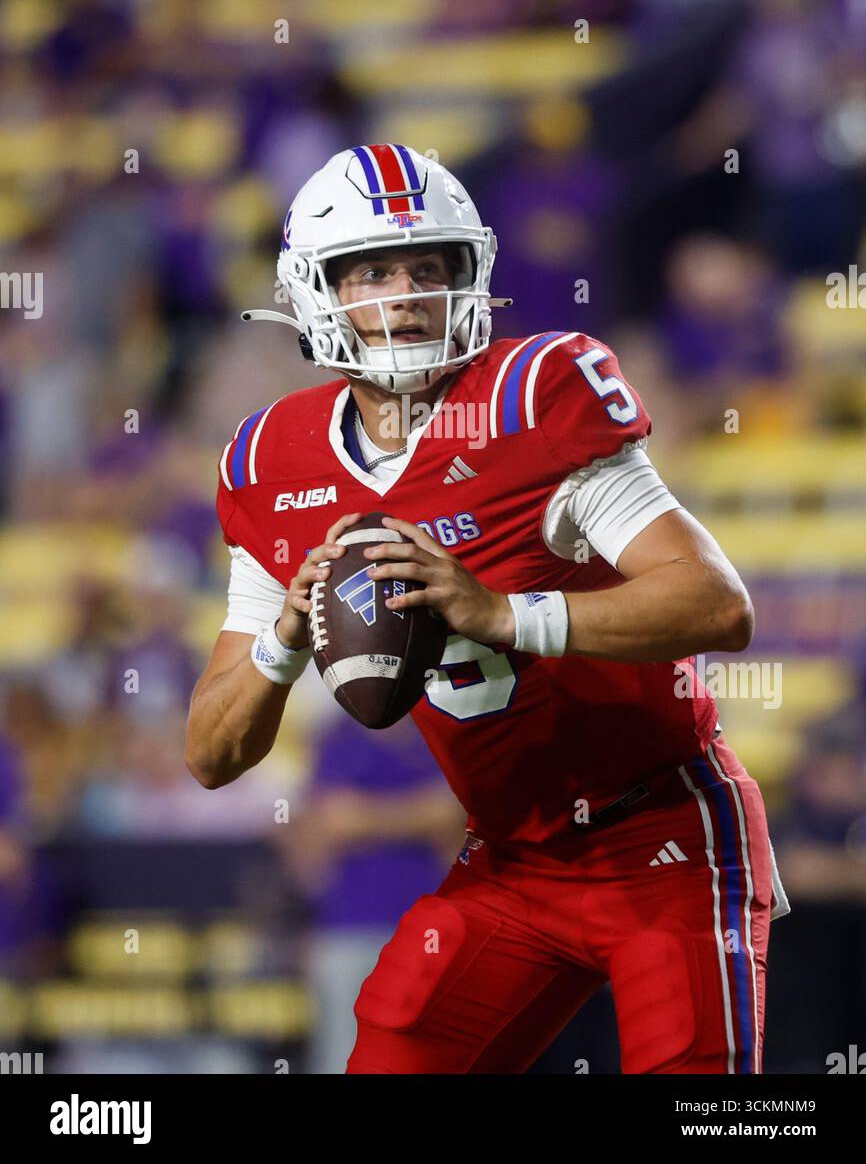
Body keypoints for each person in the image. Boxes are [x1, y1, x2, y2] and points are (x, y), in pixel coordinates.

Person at [186, 143, 790, 1074]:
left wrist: (506, 613)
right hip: (512, 858)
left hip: (667, 830)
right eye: (375, 269)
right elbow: (212, 755)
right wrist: (282, 636)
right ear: (314, 291)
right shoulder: (274, 462)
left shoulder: (534, 396)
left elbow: (717, 605)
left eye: (430, 266)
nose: (408, 291)